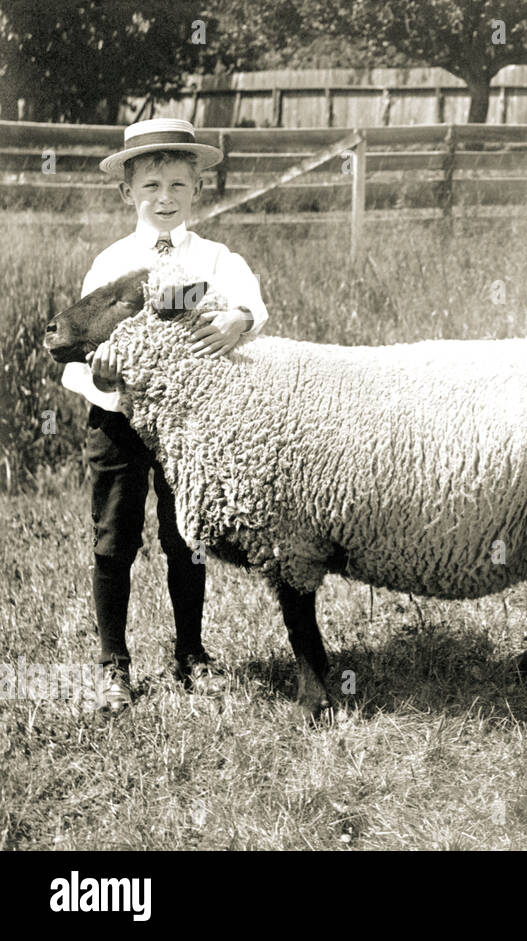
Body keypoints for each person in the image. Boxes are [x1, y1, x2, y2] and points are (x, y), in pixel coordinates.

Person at [64, 118, 269, 712]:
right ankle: (113, 664)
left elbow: (250, 304)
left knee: (188, 536)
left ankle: (191, 653)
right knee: (114, 537)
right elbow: (85, 342)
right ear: (126, 192)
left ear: (199, 189)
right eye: (151, 185)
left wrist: (239, 321)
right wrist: (104, 372)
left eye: (179, 185)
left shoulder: (214, 258)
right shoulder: (111, 263)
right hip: (120, 418)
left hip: (187, 426)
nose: (165, 198)